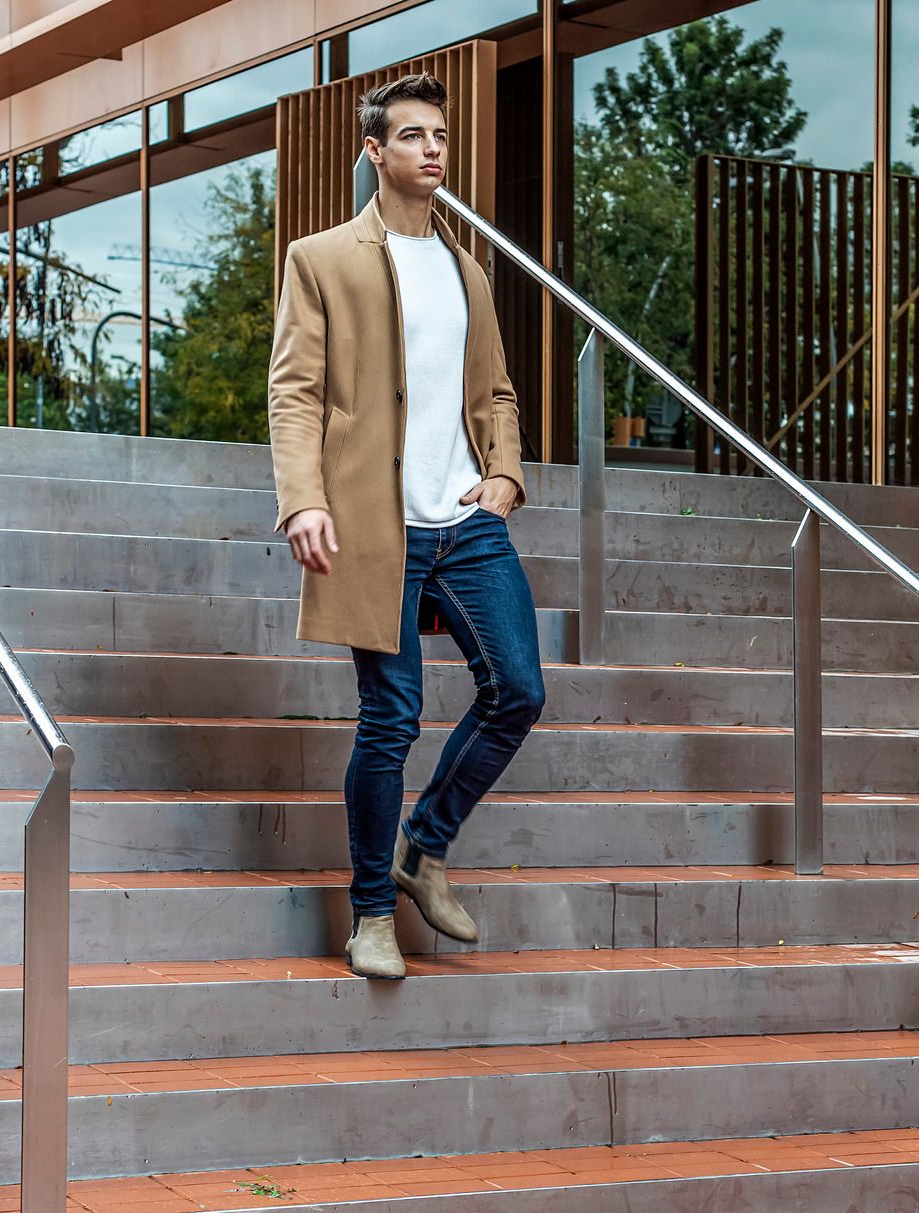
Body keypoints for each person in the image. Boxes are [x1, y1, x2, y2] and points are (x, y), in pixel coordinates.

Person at [266, 72, 546, 980]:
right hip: (373, 525)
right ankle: (371, 913)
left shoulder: (468, 270)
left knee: (520, 689)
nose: (431, 148)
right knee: (390, 718)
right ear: (374, 152)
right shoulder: (322, 260)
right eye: (412, 135)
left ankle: (423, 847)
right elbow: (295, 393)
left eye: (440, 135)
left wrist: (504, 476)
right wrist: (304, 498)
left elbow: (496, 390)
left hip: (465, 521)